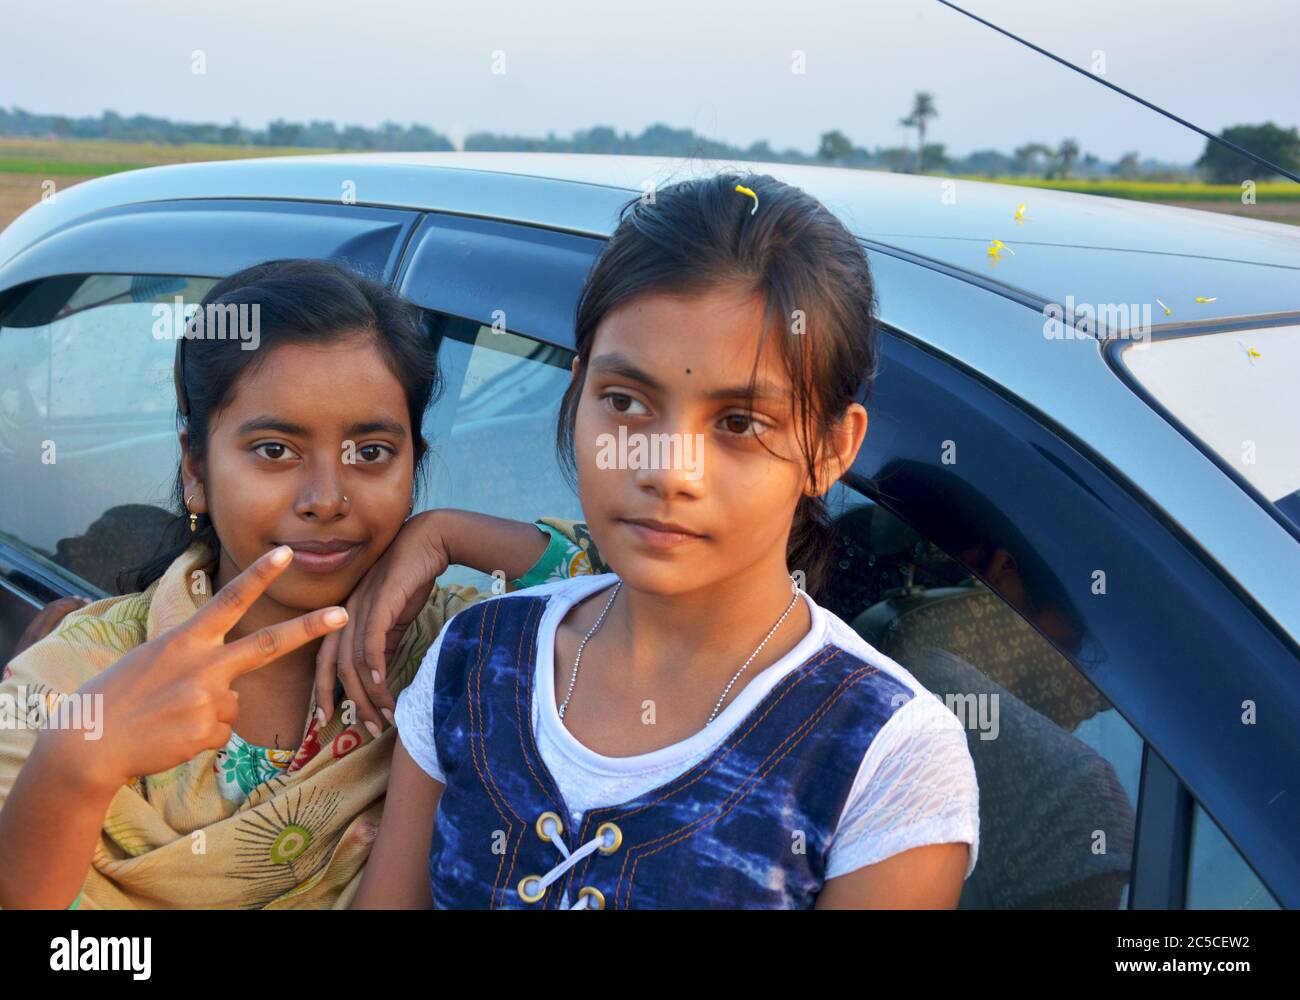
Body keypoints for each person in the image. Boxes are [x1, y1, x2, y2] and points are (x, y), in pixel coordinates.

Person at [353, 172, 981, 909]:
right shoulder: (476, 658)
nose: (666, 470)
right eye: (625, 402)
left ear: (831, 449)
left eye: (739, 424)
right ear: (578, 391)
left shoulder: (885, 755)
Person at [0, 258, 596, 909]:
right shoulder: (71, 680)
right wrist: (75, 768)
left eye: (370, 453)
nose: (325, 499)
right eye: (275, 450)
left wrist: (445, 534)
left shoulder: (457, 654)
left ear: (414, 467)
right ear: (196, 470)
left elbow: (636, 590)